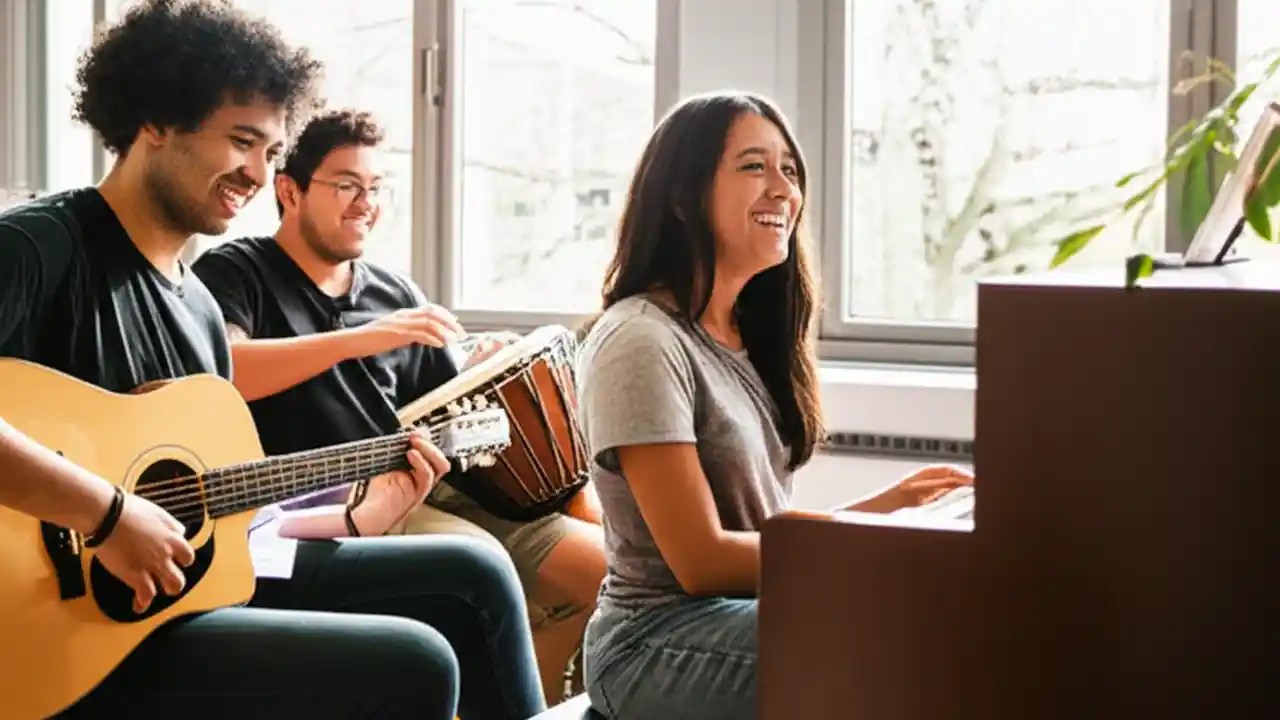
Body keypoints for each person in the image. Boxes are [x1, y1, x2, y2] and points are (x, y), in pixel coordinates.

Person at [0, 2, 544, 718]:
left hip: (168, 597)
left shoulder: (196, 311)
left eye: (271, 150)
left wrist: (355, 518)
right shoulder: (38, 249)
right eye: (241, 141)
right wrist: (106, 515)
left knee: (471, 568)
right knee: (413, 662)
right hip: (44, 626)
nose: (258, 173)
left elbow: (217, 516)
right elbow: (121, 514)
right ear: (156, 121)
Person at [573, 90, 976, 720]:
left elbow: (760, 530)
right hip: (652, 642)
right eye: (753, 166)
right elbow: (702, 561)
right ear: (682, 197)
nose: (783, 188)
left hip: (737, 616)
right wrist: (870, 549)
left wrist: (881, 515)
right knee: (910, 645)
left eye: (790, 169)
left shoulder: (745, 336)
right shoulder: (639, 340)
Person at [190, 107, 607, 705]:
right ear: (289, 190)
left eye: (376, 188)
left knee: (611, 576)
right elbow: (226, 373)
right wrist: (370, 337)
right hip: (315, 511)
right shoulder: (237, 270)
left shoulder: (394, 292)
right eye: (346, 185)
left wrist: (477, 365)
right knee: (480, 565)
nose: (366, 203)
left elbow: (439, 404)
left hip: (421, 488)